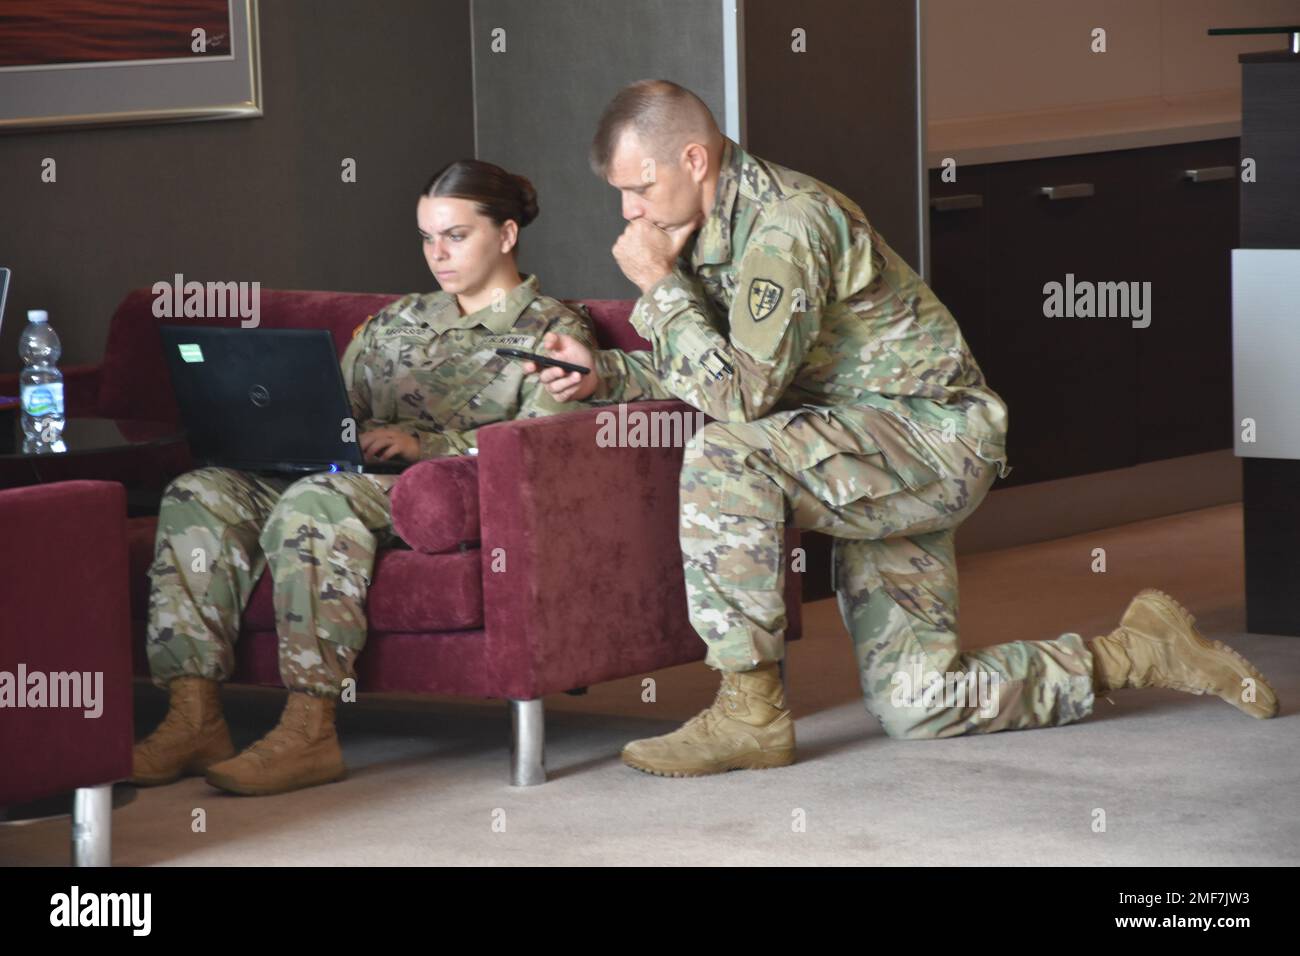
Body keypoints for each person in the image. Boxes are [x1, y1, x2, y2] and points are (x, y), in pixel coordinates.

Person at [529, 80, 1280, 777]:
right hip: (862, 447)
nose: (630, 210)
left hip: (930, 439)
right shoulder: (708, 228)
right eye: (622, 193)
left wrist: (661, 289)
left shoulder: (786, 227)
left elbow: (742, 401)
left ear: (694, 159)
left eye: (639, 187)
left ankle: (749, 712)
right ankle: (1138, 651)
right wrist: (608, 376)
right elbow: (734, 368)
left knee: (729, 460)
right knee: (918, 702)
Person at [132, 160, 598, 796]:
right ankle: (194, 715)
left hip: (429, 490)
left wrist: (423, 444)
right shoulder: (395, 321)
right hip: (345, 468)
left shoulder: (553, 332)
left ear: (508, 234)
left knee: (318, 500)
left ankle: (309, 729)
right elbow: (337, 406)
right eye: (427, 237)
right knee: (199, 492)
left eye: (456, 236)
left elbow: (542, 449)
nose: (438, 254)